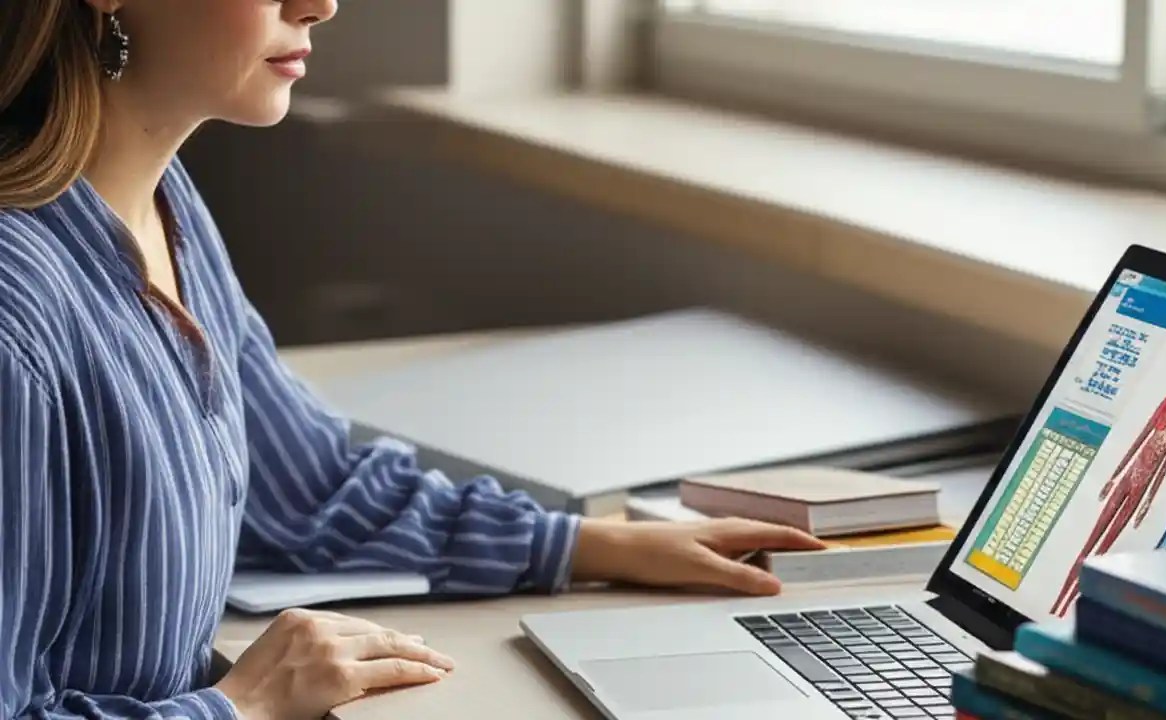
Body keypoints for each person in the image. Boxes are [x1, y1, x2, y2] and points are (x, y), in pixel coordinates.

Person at [0, 3, 827, 719]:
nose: (320, 5)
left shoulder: (162, 204)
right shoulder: (17, 322)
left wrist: (589, 547)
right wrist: (239, 705)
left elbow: (312, 486)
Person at [1049, 348, 1166, 616]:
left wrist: (1148, 501)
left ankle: (1065, 610)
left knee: (1100, 555)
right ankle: (1056, 604)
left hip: (1141, 488)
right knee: (1088, 543)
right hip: (1129, 477)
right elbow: (1140, 438)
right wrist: (1114, 476)